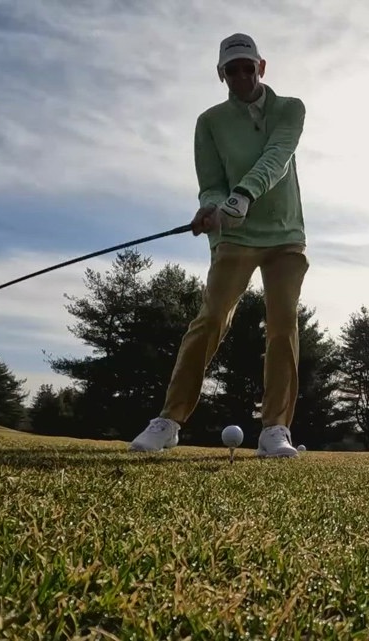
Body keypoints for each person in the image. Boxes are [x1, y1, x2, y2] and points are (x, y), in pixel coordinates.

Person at [129, 33, 308, 458]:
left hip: (285, 236)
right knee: (210, 320)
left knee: (283, 327)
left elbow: (277, 158)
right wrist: (211, 208)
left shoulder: (290, 109)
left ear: (262, 68)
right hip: (235, 236)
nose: (243, 76)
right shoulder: (209, 122)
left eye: (250, 67)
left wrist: (241, 196)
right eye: (233, 70)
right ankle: (169, 422)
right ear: (221, 74)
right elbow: (210, 183)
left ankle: (274, 430)